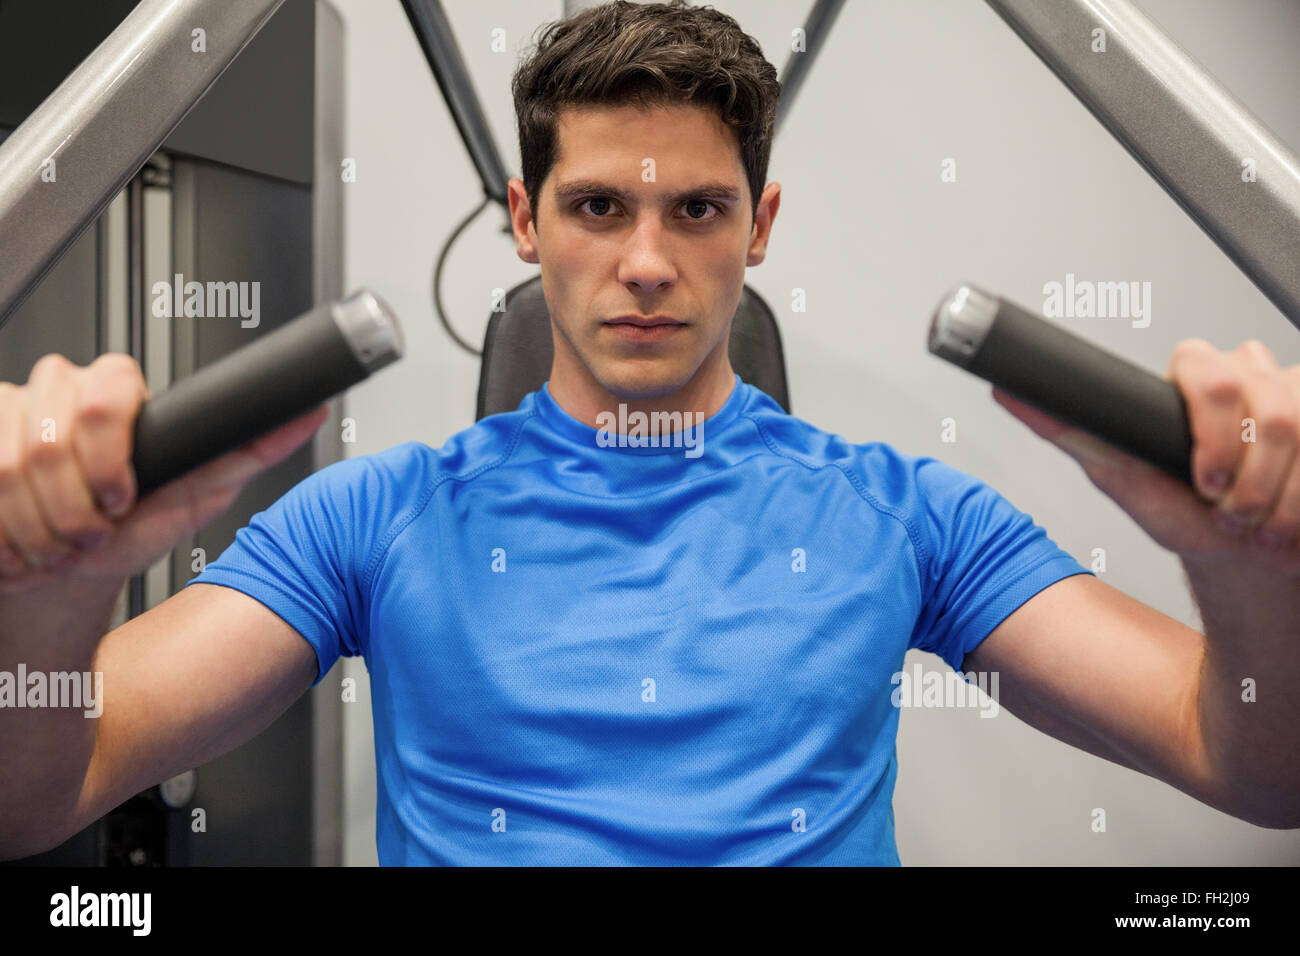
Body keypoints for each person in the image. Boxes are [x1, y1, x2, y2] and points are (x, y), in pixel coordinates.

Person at [1, 0, 1297, 865]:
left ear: (761, 223)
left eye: (696, 212)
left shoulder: (907, 514)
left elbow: (1252, 769)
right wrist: (58, 598)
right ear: (525, 218)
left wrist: (1246, 573)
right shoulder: (376, 516)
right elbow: (38, 799)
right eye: (598, 206)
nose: (645, 263)